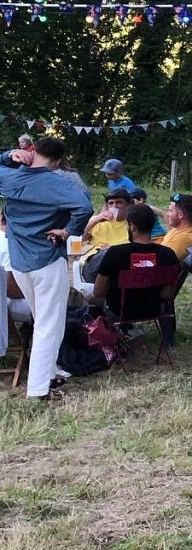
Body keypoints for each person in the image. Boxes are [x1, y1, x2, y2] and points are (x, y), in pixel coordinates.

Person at [0, 137, 94, 400]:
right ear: (59, 160)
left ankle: (50, 372)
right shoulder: (60, 184)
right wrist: (68, 231)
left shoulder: (10, 177)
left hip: (19, 264)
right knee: (47, 324)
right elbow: (85, 207)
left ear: (33, 151)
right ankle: (39, 389)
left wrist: (9, 155)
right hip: (47, 262)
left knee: (47, 320)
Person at [91, 203, 181, 325]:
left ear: (132, 227)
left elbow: (98, 292)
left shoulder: (115, 253)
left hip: (119, 311)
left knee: (85, 297)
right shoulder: (168, 254)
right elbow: (167, 294)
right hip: (153, 310)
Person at [82, 189, 135, 260]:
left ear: (128, 205)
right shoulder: (96, 221)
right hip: (97, 258)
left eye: (119, 202)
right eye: (111, 203)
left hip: (122, 257)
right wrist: (95, 221)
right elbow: (79, 239)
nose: (114, 206)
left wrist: (113, 249)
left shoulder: (133, 223)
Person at [156, 192, 192, 261]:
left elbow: (157, 261)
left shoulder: (183, 239)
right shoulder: (177, 230)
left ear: (180, 215)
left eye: (170, 211)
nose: (167, 214)